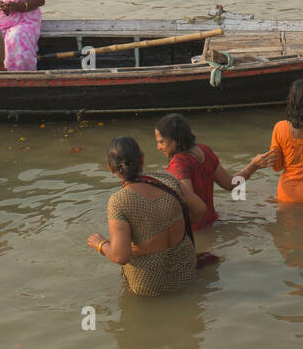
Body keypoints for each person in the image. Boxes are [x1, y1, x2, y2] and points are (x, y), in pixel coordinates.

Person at [87, 136, 205, 296]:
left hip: (150, 285)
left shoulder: (119, 201)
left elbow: (120, 256)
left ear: (110, 168)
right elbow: (200, 209)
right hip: (186, 272)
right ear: (142, 159)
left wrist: (100, 244)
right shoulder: (167, 179)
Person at [153, 114, 270, 230]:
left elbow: (190, 206)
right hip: (211, 222)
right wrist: (253, 166)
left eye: (162, 142)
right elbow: (230, 183)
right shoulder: (205, 150)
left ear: (176, 140)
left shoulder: (178, 163)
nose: (158, 147)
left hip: (194, 232)